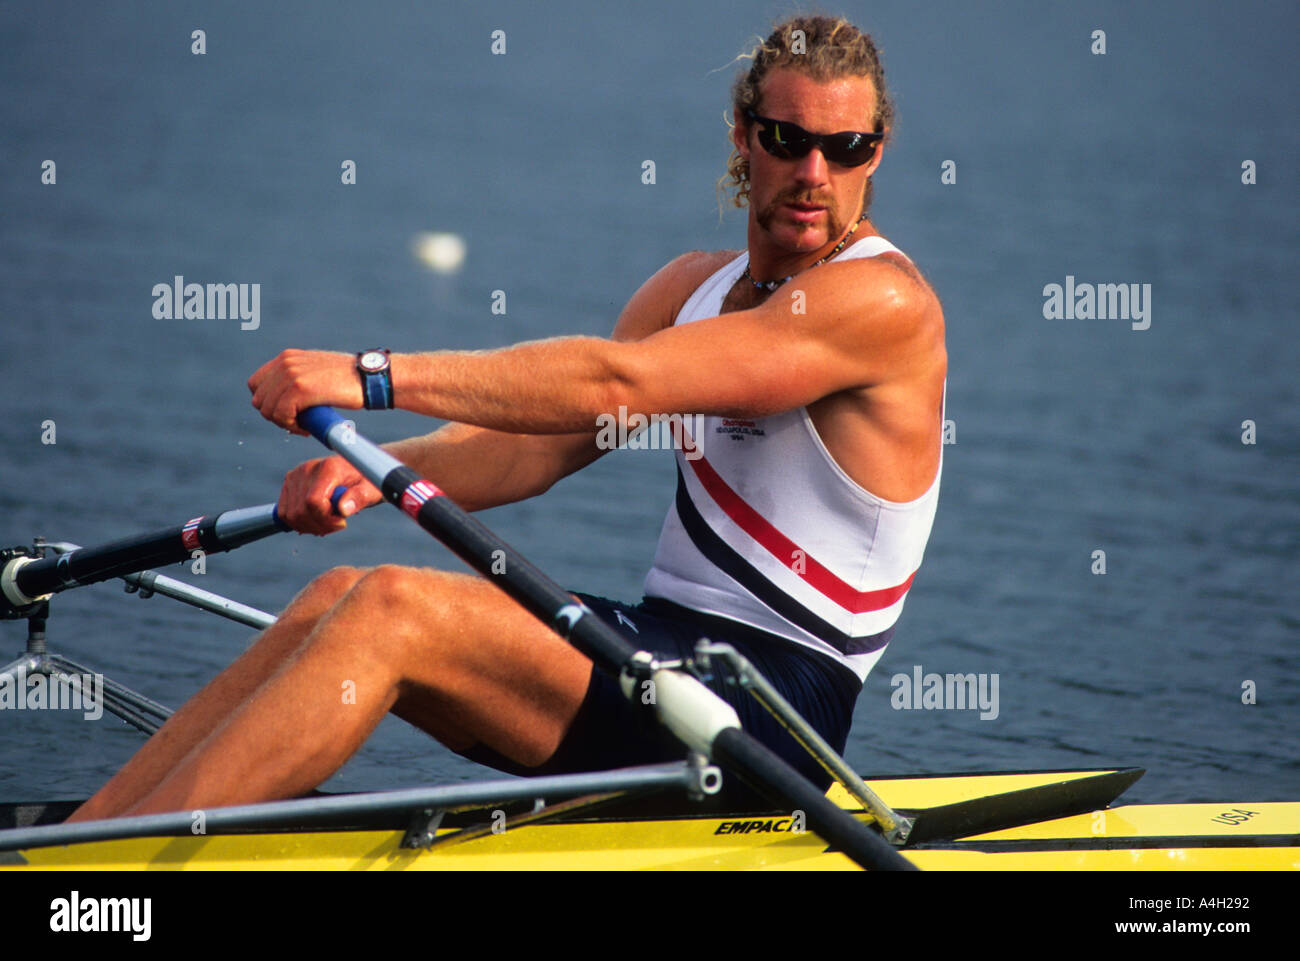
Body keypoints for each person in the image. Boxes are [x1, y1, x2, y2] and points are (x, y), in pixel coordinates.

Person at [68, 14, 945, 821]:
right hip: (662, 655)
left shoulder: (882, 302)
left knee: (391, 610)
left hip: (772, 714)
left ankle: (120, 880)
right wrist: (371, 471)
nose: (814, 173)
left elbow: (614, 385)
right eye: (789, 140)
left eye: (846, 145)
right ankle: (74, 844)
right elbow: (537, 450)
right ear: (744, 137)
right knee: (335, 596)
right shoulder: (692, 288)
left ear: (878, 150)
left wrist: (371, 374)